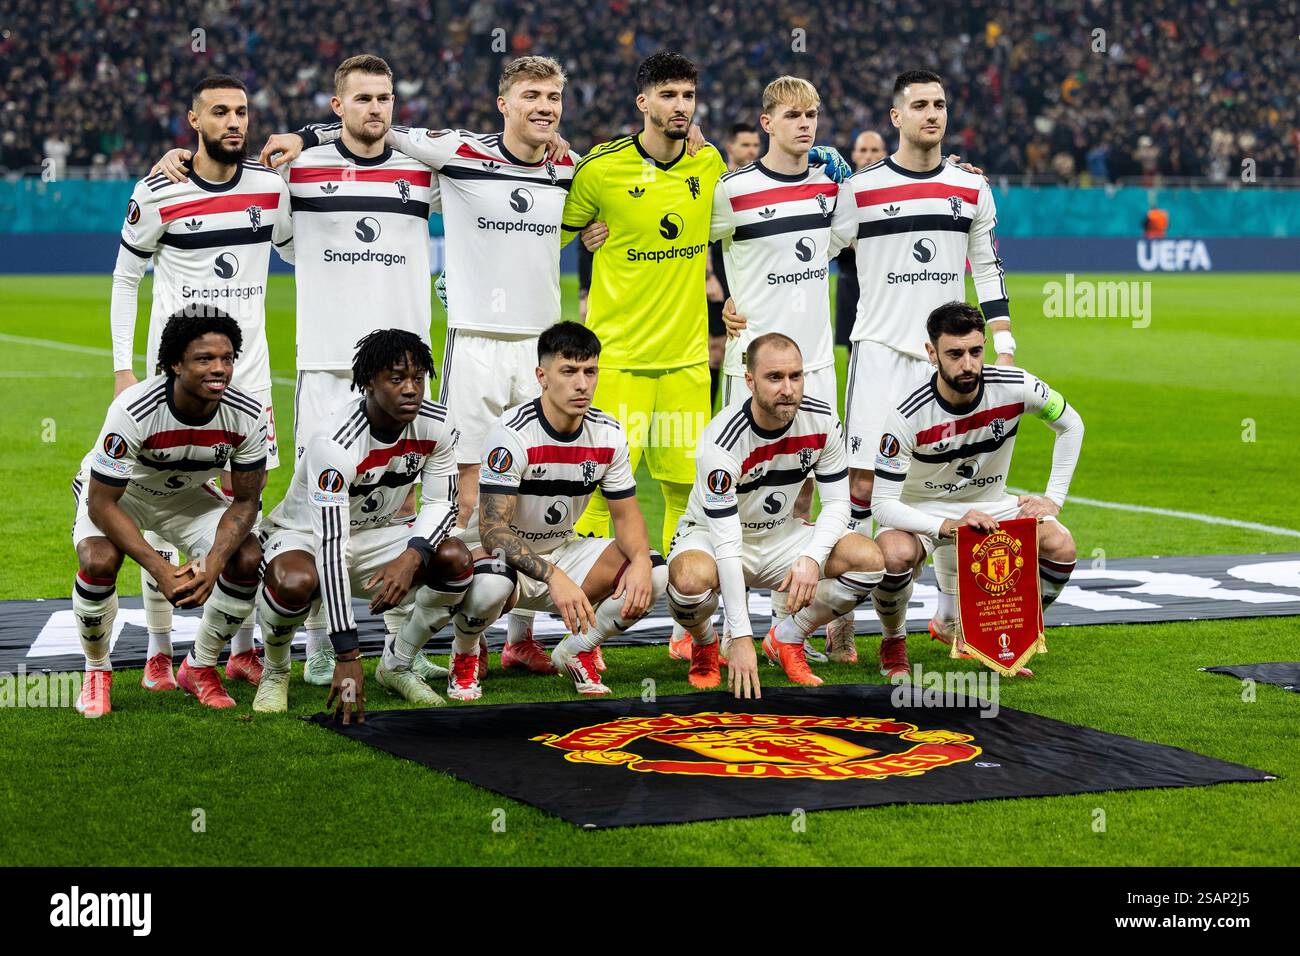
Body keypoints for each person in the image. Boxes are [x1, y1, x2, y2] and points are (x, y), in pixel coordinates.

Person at [114, 74, 293, 691]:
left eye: (242, 111)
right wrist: (123, 369)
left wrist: (304, 150)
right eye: (220, 112)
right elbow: (124, 279)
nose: (235, 122)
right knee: (164, 500)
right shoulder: (158, 189)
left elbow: (301, 248)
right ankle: (161, 651)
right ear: (194, 120)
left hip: (251, 382)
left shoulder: (272, 190)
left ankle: (235, 646)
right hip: (175, 383)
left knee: (244, 507)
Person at [834, 69, 1015, 673]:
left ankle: (944, 618)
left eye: (939, 103)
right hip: (880, 353)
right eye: (919, 105)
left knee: (951, 482)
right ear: (896, 118)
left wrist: (1005, 342)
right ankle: (842, 623)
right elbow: (812, 254)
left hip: (946, 360)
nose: (931, 114)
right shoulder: (859, 189)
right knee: (862, 488)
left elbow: (987, 267)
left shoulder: (970, 188)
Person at [444, 322, 668, 699]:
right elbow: (493, 531)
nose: (582, 384)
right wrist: (554, 576)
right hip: (500, 558)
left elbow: (627, 517)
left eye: (590, 371)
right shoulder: (513, 433)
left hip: (561, 550)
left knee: (655, 570)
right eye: (569, 371)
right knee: (490, 583)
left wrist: (642, 565)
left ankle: (576, 649)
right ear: (542, 376)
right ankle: (464, 653)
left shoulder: (608, 434)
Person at [562, 52, 728, 561]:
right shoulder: (602, 169)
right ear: (643, 102)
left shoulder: (709, 161)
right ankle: (587, 624)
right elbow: (550, 235)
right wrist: (586, 238)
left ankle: (686, 623)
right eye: (668, 95)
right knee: (597, 489)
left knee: (685, 488)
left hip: (685, 361)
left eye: (688, 96)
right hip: (618, 362)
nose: (681, 106)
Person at [257, 330, 471, 719]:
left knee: (455, 558)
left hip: (374, 534)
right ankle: (276, 670)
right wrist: (348, 654)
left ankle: (398, 663)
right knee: (294, 583)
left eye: (419, 378)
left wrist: (411, 556)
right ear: (369, 382)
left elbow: (443, 502)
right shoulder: (335, 444)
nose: (411, 389)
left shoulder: (436, 424)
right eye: (397, 378)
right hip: (305, 537)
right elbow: (331, 545)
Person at [71, 310, 268, 717]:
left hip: (186, 496)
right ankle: (96, 671)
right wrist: (161, 571)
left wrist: (212, 564)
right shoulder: (134, 409)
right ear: (175, 363)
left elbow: (246, 501)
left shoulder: (248, 414)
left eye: (227, 358)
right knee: (98, 559)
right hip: (120, 496)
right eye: (204, 359)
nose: (219, 369)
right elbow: (102, 503)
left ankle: (200, 665)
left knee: (246, 556)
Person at [870, 302, 1082, 677]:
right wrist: (945, 525)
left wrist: (1054, 498)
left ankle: (1001, 631)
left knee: (1060, 547)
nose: (968, 364)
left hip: (990, 504)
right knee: (894, 556)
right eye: (954, 354)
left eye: (975, 351)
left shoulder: (1016, 386)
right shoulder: (907, 416)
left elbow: (1071, 424)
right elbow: (883, 505)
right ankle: (894, 641)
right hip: (922, 510)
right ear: (931, 353)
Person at [666, 332, 883, 697]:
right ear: (749, 381)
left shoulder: (821, 420)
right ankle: (704, 642)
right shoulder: (721, 441)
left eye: (795, 376)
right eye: (775, 378)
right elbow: (728, 543)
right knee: (688, 582)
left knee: (870, 559)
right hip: (712, 537)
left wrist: (812, 559)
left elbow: (836, 504)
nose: (788, 389)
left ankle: (786, 638)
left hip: (779, 536)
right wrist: (740, 637)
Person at [707, 122, 761, 404]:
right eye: (745, 145)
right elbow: (701, 230)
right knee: (715, 347)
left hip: (743, 272)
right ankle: (707, 412)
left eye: (755, 144)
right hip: (716, 270)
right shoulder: (720, 182)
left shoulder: (757, 184)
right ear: (730, 147)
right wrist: (708, 276)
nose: (752, 150)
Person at [833, 130, 887, 350]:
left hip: (885, 282)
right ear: (854, 155)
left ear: (884, 154)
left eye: (874, 150)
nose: (868, 156)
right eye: (863, 150)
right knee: (853, 349)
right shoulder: (841, 191)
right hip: (851, 281)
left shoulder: (893, 190)